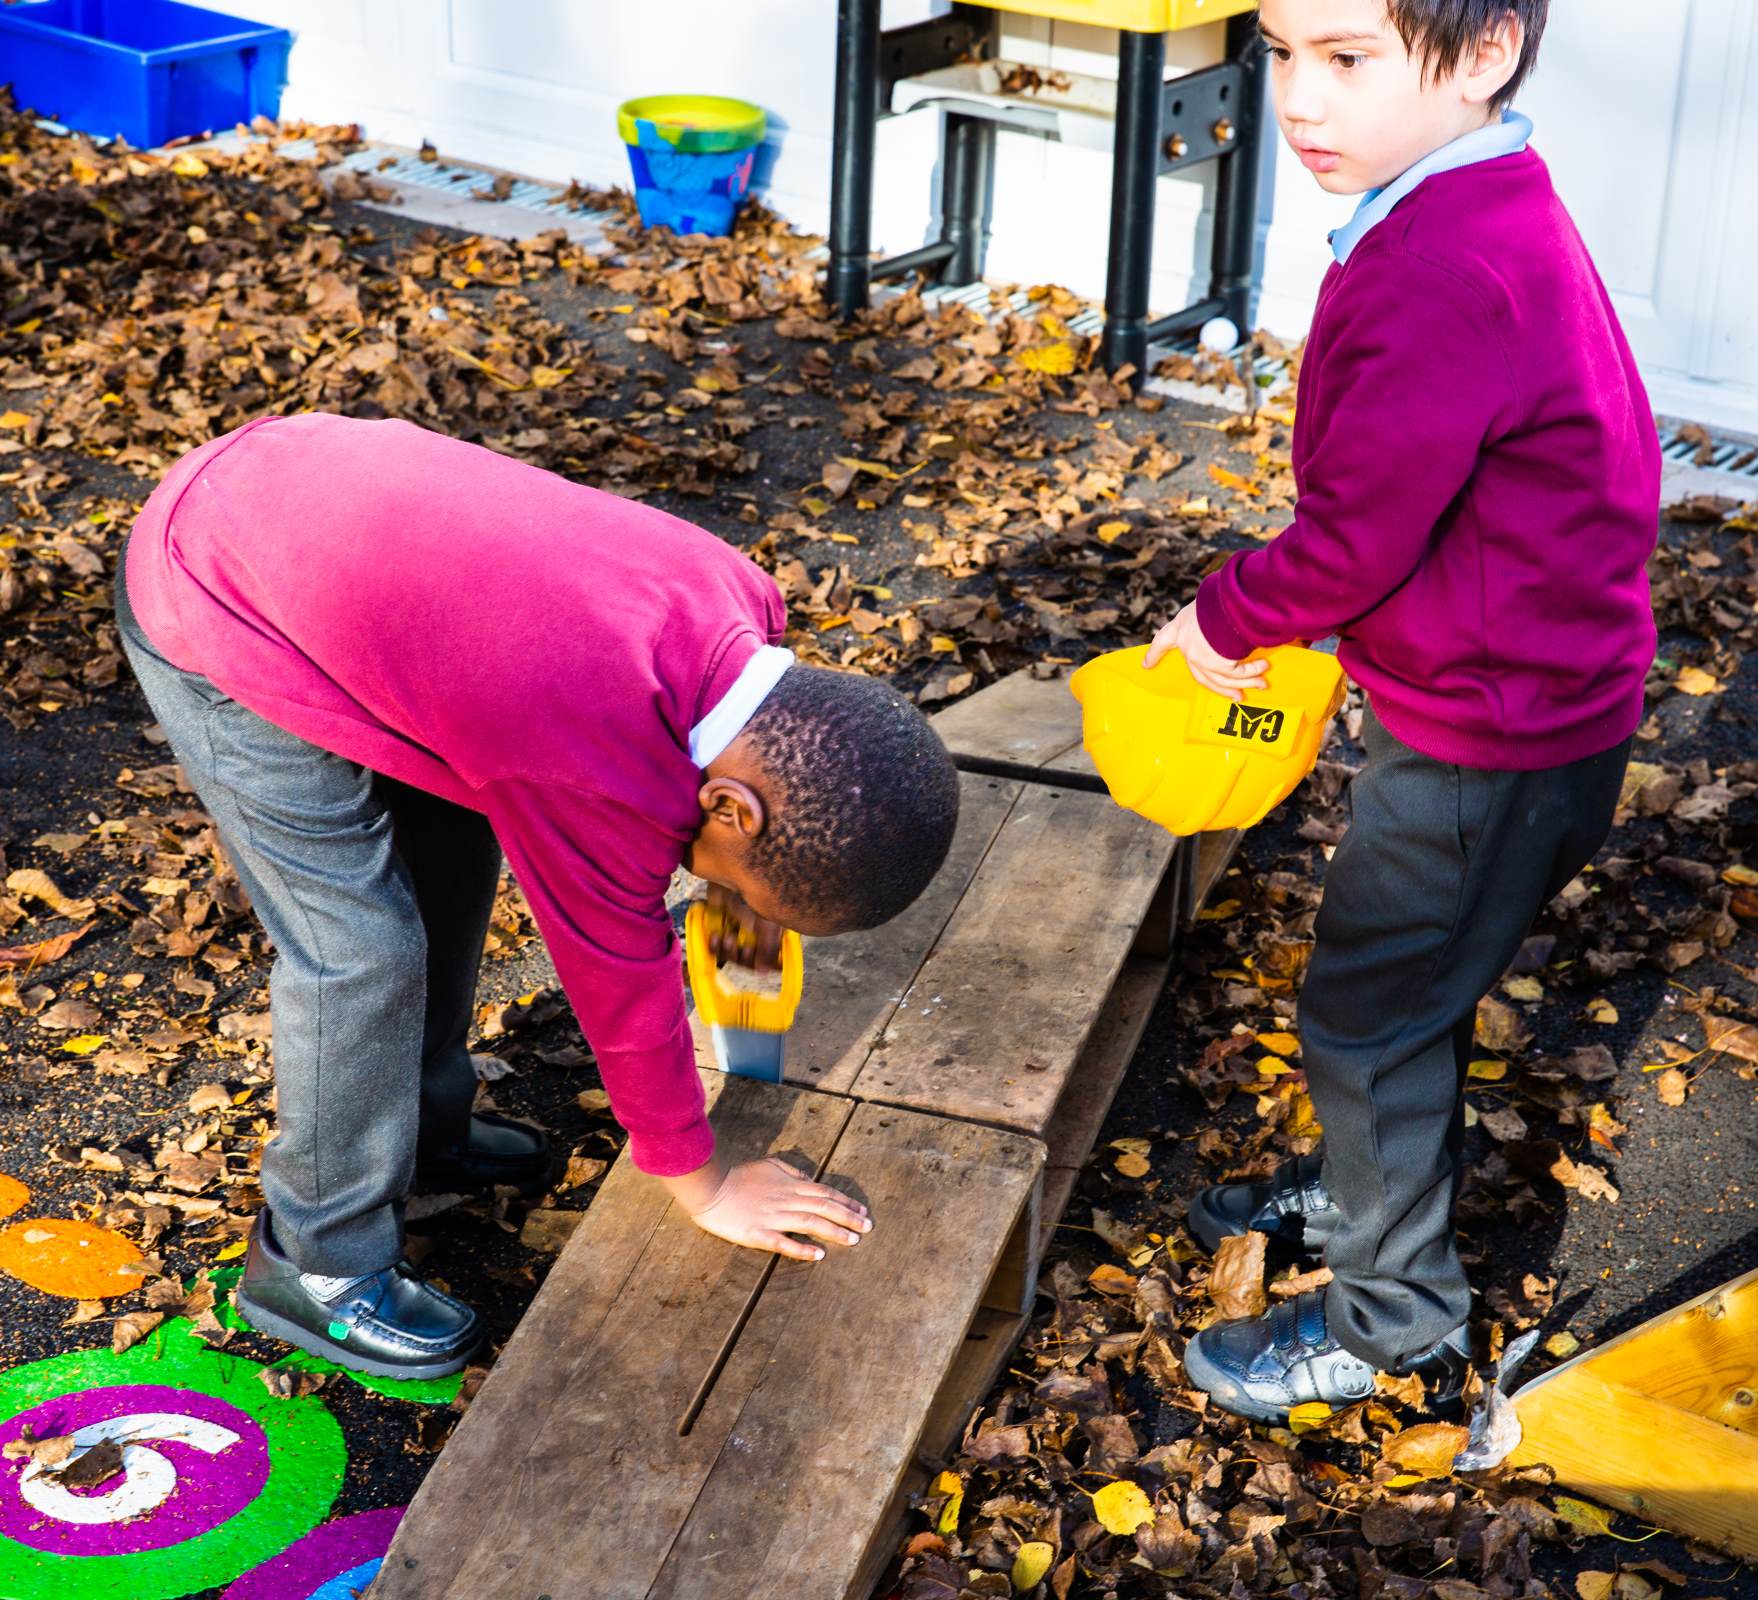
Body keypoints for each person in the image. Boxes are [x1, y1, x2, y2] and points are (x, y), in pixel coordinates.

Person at [115, 411, 961, 1381]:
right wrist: (706, 1181)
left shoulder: (745, 616)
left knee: (456, 839)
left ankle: (418, 1132)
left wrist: (751, 928)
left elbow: (728, 869)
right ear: (731, 807)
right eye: (730, 878)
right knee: (359, 945)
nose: (718, 889)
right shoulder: (596, 756)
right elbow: (622, 985)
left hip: (313, 512)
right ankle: (314, 1259)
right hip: (215, 595)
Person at [1147, 0, 1658, 1422]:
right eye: (1279, 51)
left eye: (1347, 58)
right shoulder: (1486, 195)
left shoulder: (1440, 263)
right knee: (1408, 990)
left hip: (1488, 738)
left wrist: (1222, 616)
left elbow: (1356, 535)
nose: (1299, 100)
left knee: (1367, 1019)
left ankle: (1391, 1321)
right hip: (1530, 699)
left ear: (1485, 48)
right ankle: (1374, 1178)